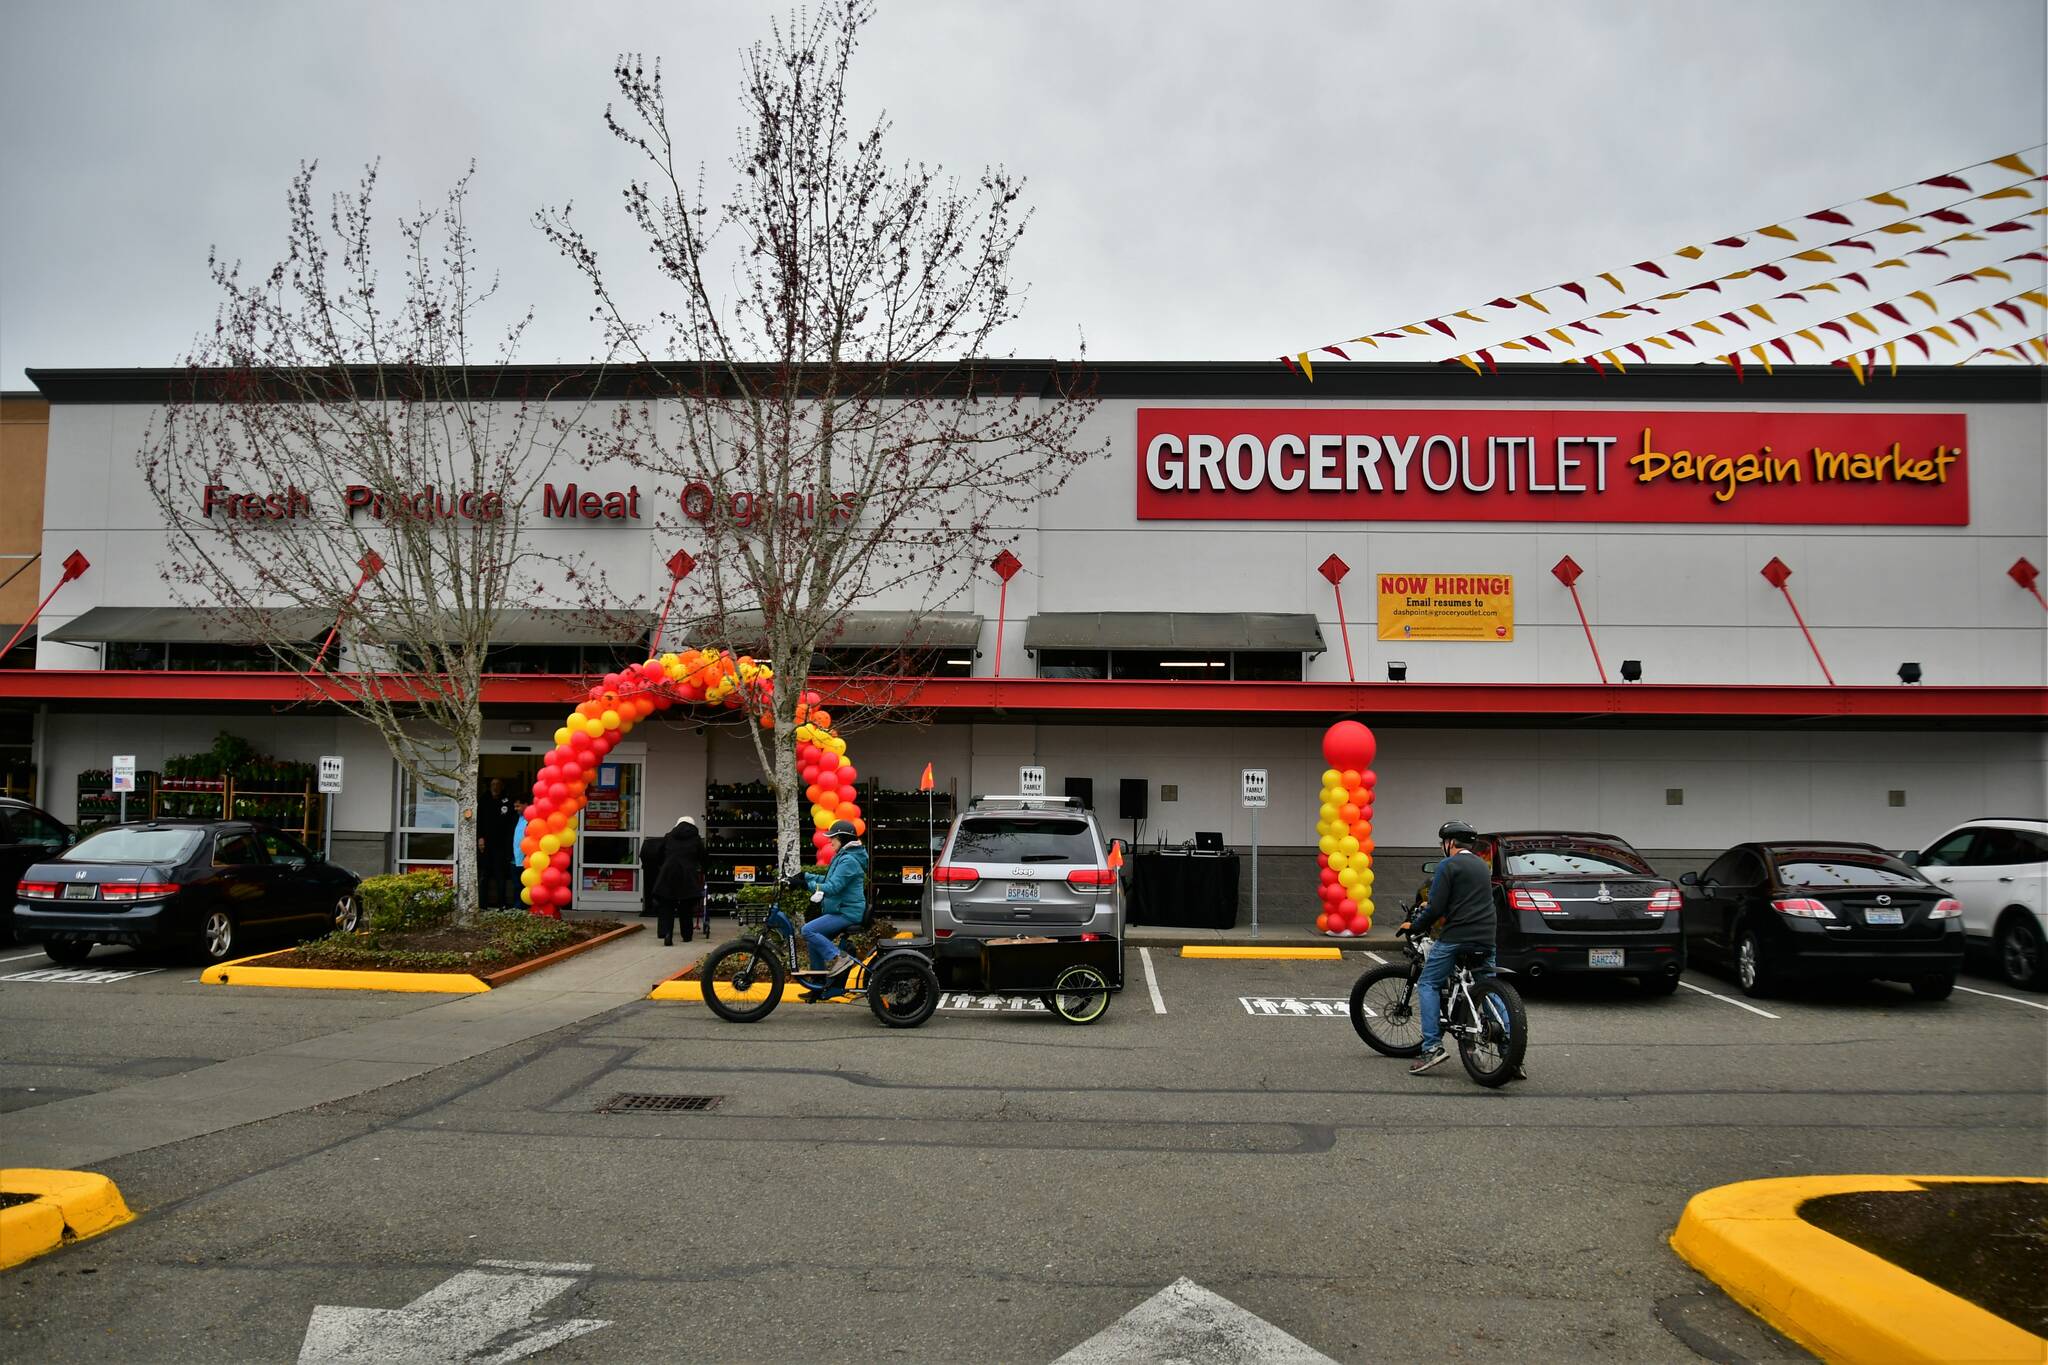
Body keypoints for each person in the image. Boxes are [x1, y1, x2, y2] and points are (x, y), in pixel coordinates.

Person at [1398, 819, 1498, 1076]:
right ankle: (1509, 1049)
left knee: (1429, 982)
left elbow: (1435, 906)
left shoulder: (1448, 865)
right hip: (1487, 937)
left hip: (1457, 936)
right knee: (1489, 991)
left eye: (1443, 842)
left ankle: (1432, 1048)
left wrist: (1416, 926)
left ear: (1450, 843)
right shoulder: (1482, 866)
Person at [793, 820, 868, 1000]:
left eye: (833, 838)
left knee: (808, 930)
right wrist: (805, 876)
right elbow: (828, 878)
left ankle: (838, 958)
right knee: (814, 940)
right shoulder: (844, 856)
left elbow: (833, 887)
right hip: (842, 910)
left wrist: (806, 886)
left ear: (842, 838)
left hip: (847, 912)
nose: (830, 841)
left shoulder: (849, 860)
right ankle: (818, 986)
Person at [652, 815, 706, 945]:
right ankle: (686, 935)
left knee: (667, 905)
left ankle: (667, 934)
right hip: (688, 875)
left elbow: (658, 854)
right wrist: (702, 868)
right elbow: (704, 857)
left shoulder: (668, 836)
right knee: (686, 907)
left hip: (668, 873)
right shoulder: (696, 839)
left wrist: (662, 866)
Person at [477, 777, 520, 909]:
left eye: (498, 784)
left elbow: (511, 823)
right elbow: (479, 821)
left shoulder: (507, 801)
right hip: (485, 845)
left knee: (500, 875)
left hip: (501, 845)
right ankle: (482, 904)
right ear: (489, 786)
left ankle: (501, 903)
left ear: (502, 786)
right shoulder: (484, 800)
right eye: (493, 784)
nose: (495, 787)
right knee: (484, 874)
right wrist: (480, 837)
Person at [639, 829, 668, 920]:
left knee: (650, 888)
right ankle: (656, 907)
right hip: (658, 868)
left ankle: (651, 907)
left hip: (650, 868)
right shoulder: (666, 843)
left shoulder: (648, 844)